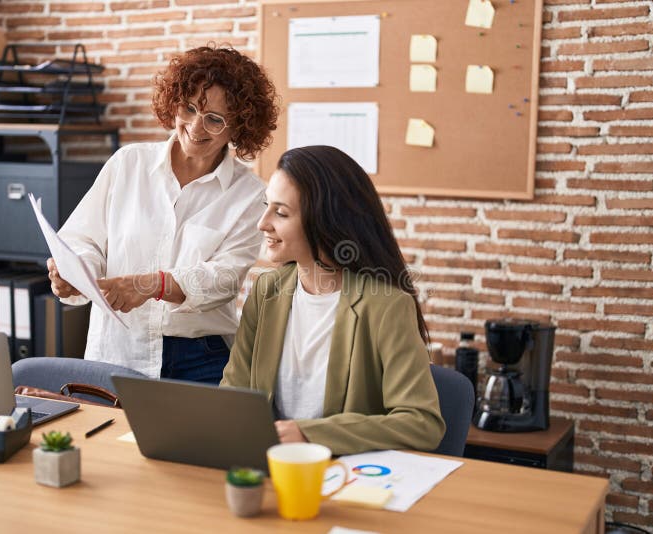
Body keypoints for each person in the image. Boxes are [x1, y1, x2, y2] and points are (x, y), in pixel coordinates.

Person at [47, 45, 279, 382]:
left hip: (201, 357)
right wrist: (75, 273)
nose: (196, 127)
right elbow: (83, 239)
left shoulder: (250, 194)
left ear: (239, 128)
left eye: (214, 119)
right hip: (118, 347)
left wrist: (152, 284)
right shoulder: (129, 163)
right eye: (189, 108)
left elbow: (224, 279)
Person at [221, 145, 445, 455]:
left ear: (324, 221)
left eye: (281, 212)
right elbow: (234, 395)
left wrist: (309, 434)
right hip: (270, 468)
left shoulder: (386, 306)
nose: (263, 223)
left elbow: (422, 423)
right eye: (266, 206)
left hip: (346, 475)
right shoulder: (266, 292)